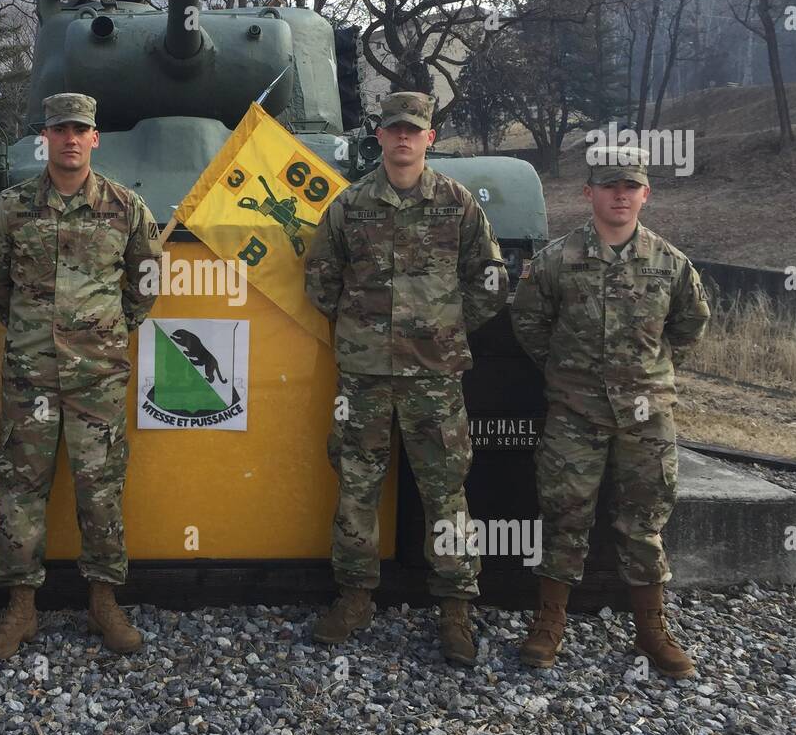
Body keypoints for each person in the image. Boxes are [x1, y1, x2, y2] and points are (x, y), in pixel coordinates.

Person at [304, 91, 509, 664]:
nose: (403, 137)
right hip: (365, 376)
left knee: (445, 491)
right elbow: (320, 277)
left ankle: (455, 607)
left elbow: (490, 277)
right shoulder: (350, 205)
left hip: (434, 376)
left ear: (428, 138)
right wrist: (358, 330)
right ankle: (354, 598)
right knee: (356, 486)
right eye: (394, 128)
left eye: (413, 130)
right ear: (379, 136)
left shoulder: (456, 203)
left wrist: (447, 326)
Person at [510, 146, 711, 677]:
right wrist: (565, 372)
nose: (620, 196)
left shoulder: (670, 263)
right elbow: (528, 322)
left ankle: (651, 629)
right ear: (589, 193)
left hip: (646, 416)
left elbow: (690, 325)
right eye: (609, 186)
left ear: (646, 194)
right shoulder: (556, 260)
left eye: (630, 187)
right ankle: (549, 622)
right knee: (564, 516)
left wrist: (649, 372)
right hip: (574, 412)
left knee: (644, 521)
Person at [0, 93, 162, 659]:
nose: (71, 139)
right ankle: (20, 608)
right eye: (60, 129)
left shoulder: (125, 206)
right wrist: (31, 330)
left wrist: (107, 330)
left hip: (96, 379)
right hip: (30, 377)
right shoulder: (11, 208)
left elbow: (147, 279)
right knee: (20, 489)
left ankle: (103, 602)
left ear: (95, 138)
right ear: (46, 137)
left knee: (100, 490)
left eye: (80, 129)